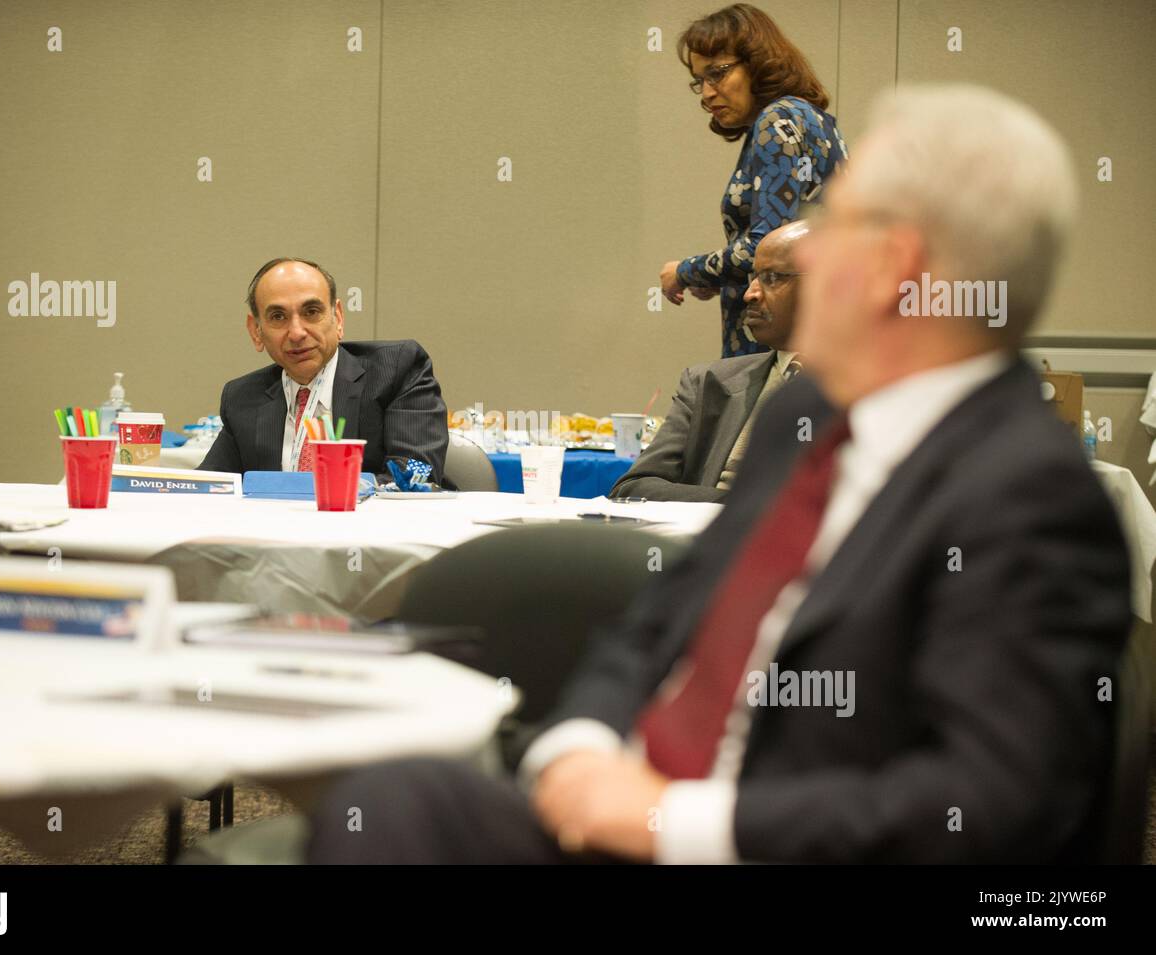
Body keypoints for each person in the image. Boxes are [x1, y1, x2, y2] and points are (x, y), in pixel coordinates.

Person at [304, 85, 1131, 864]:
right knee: (391, 802)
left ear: (895, 265)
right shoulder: (796, 425)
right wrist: (579, 748)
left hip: (765, 839)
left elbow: (991, 802)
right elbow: (659, 623)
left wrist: (679, 821)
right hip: (631, 799)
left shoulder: (1032, 496)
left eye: (831, 221)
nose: (775, 263)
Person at [658, 4, 847, 358]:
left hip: (776, 348)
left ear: (758, 63)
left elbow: (767, 253)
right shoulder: (817, 122)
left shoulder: (775, 121)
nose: (706, 93)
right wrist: (718, 277)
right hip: (819, 337)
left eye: (717, 73)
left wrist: (684, 272)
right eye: (700, 80)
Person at [198, 258, 450, 484]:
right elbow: (210, 485)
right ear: (256, 331)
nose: (297, 333)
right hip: (274, 533)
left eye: (311, 312)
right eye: (278, 316)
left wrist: (332, 490)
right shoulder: (243, 397)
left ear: (338, 318)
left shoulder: (396, 369)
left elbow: (418, 470)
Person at [612, 221, 809, 503]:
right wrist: (740, 508)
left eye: (772, 278)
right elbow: (633, 488)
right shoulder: (708, 382)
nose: (748, 294)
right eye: (752, 278)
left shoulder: (878, 394)